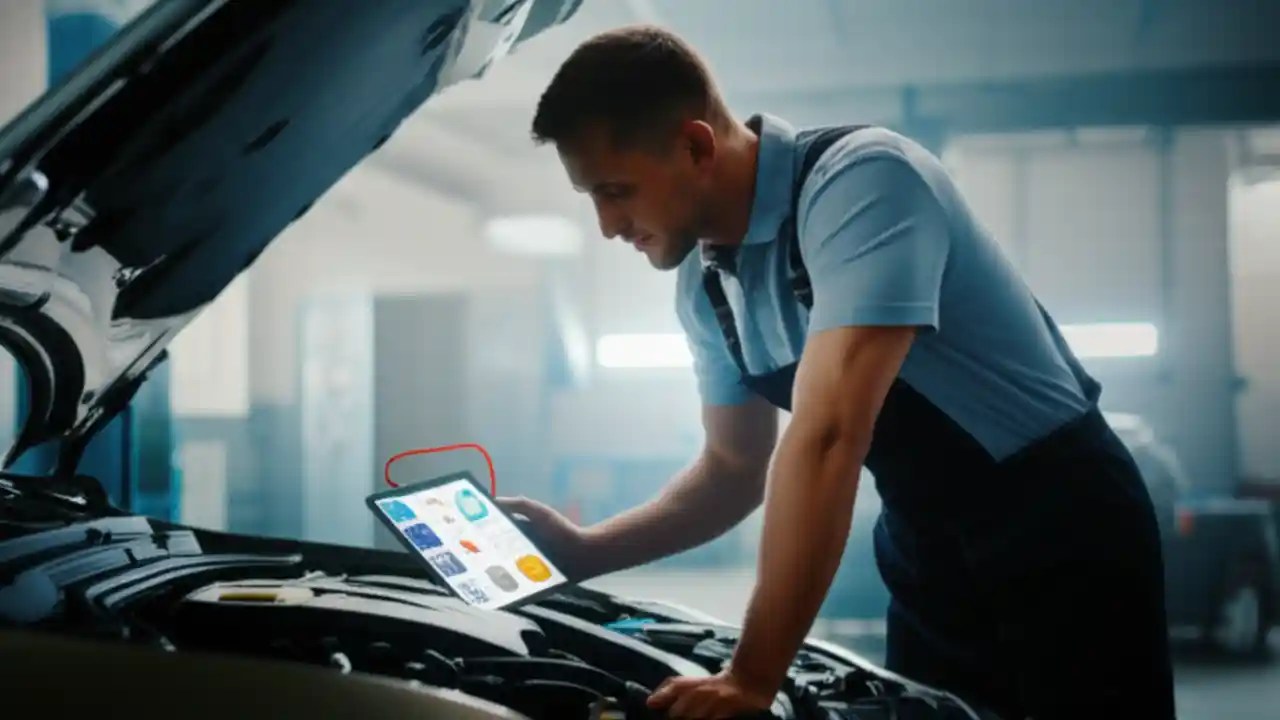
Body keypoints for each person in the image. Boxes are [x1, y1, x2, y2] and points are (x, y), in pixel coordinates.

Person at [497, 24, 1176, 720]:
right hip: (926, 544)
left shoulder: (862, 183)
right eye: (593, 198)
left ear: (696, 145)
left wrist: (751, 677)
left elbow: (828, 436)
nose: (608, 225)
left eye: (616, 190)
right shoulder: (703, 286)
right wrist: (583, 552)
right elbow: (732, 469)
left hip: (1063, 525)